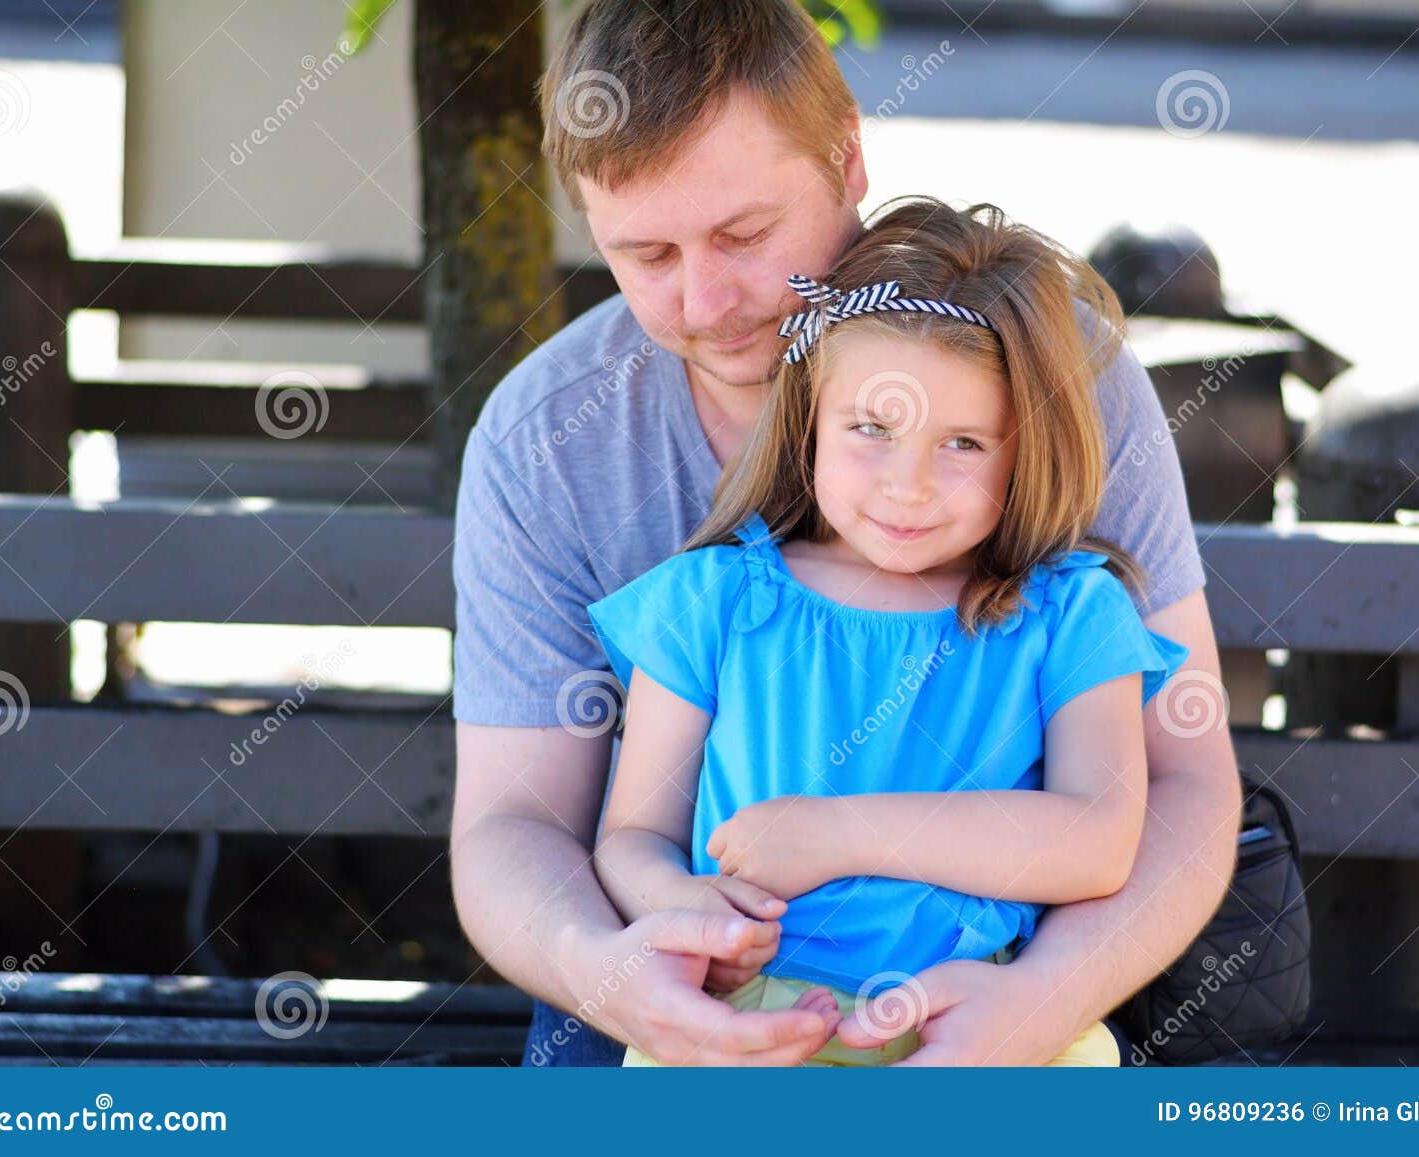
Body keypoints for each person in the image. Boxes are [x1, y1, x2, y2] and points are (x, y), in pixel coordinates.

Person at [450, 0, 1241, 1067]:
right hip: (664, 981)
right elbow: (514, 822)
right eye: (643, 254)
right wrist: (617, 970)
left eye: (744, 234)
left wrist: (1042, 1002)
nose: (707, 300)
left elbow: (1183, 780)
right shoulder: (549, 439)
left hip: (1022, 982)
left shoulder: (1053, 372)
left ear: (847, 158)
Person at [589, 198, 1192, 1066]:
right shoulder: (711, 600)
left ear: (1028, 450)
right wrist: (682, 906)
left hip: (981, 1027)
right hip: (738, 1031)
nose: (907, 486)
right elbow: (631, 837)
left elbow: (1098, 840)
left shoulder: (1068, 616)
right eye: (872, 428)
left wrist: (839, 834)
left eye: (964, 444)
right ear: (810, 418)